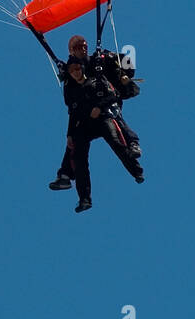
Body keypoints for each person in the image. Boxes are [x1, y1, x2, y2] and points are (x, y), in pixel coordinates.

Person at [48, 34, 140, 191]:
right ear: (71, 52)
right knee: (75, 139)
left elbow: (127, 62)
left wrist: (123, 72)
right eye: (78, 47)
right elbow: (72, 107)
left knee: (114, 116)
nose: (83, 48)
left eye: (84, 45)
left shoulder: (100, 59)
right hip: (89, 113)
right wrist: (70, 133)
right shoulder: (71, 74)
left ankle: (133, 144)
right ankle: (65, 176)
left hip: (108, 102)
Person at [59, 57, 144, 211]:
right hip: (85, 126)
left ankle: (136, 171)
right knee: (78, 158)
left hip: (103, 118)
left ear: (83, 68)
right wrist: (69, 134)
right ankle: (84, 199)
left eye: (77, 68)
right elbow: (72, 114)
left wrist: (99, 106)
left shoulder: (97, 80)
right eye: (72, 71)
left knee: (116, 142)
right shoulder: (72, 91)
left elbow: (114, 95)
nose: (75, 72)